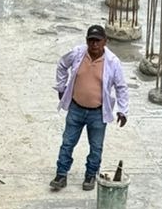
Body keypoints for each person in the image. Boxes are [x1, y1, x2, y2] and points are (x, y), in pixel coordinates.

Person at [50, 23, 129, 192]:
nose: (94, 44)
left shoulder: (113, 62)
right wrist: (61, 87)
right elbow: (62, 65)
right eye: (91, 41)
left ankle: (91, 175)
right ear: (86, 41)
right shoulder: (78, 53)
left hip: (98, 113)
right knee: (67, 143)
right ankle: (61, 174)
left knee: (96, 147)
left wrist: (123, 110)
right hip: (76, 108)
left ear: (105, 42)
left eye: (97, 41)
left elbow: (121, 87)